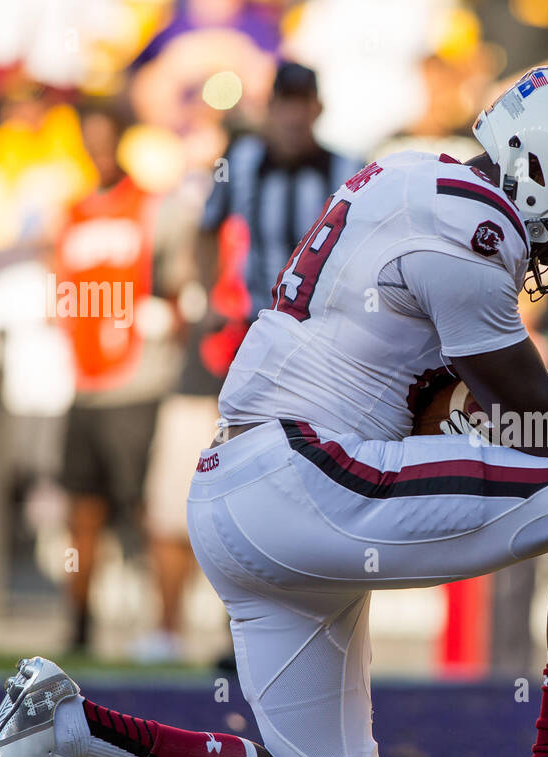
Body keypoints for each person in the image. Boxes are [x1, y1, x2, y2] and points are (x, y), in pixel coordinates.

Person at [0, 67, 548, 757]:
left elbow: (421, 387)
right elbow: (541, 424)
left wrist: (462, 428)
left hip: (249, 489)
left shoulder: (415, 177)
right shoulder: (473, 223)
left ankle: (69, 724)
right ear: (543, 168)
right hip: (304, 475)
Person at [137, 63, 358, 662]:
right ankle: (232, 629)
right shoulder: (241, 164)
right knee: (238, 477)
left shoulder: (348, 170)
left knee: (294, 486)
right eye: (281, 102)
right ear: (271, 108)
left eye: (299, 102)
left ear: (316, 106)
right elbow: (207, 230)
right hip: (256, 341)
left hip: (320, 350)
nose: (290, 114)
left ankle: (272, 632)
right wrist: (210, 295)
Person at [57, 101, 176, 652]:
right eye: (90, 138)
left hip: (138, 383)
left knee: (145, 510)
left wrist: (165, 314)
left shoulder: (153, 208)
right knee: (81, 511)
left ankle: (162, 631)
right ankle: (78, 628)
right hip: (85, 382)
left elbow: (179, 287)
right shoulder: (73, 211)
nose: (99, 149)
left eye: (107, 137)